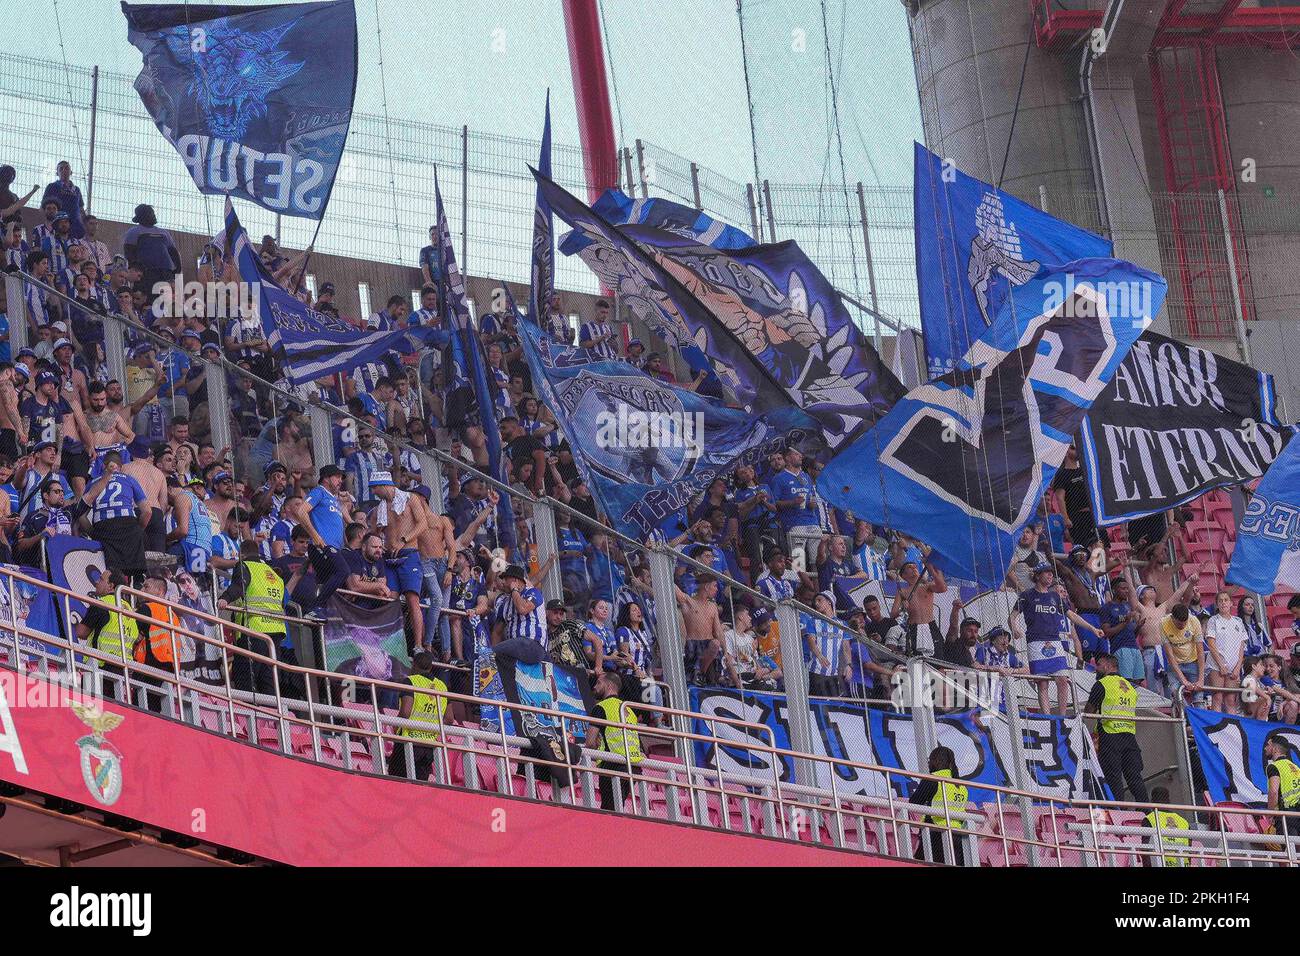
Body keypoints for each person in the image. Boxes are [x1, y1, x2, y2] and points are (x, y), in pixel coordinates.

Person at [1015, 562, 1098, 716]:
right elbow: (1012, 616)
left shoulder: (1055, 596)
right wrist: (1014, 628)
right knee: (1043, 683)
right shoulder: (1027, 595)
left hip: (1055, 642)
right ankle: (1047, 717)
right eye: (1046, 572)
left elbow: (1072, 615)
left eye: (1051, 572)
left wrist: (1092, 628)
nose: (1050, 575)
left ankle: (1061, 716)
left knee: (1062, 680)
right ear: (1037, 575)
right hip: (1035, 643)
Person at [220, 540, 292, 698]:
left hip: (254, 628)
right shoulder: (272, 571)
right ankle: (272, 717)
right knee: (269, 679)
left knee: (246, 677)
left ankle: (249, 716)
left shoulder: (244, 566)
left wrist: (224, 598)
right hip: (276, 631)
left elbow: (239, 585)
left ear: (242, 554)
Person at [1086, 652, 1148, 803]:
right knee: (1134, 776)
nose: (1096, 669)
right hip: (1129, 736)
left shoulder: (1102, 684)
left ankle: (1117, 812)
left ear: (1108, 666)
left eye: (1099, 665)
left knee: (1113, 777)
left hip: (1110, 735)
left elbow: (1089, 711)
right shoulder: (1130, 686)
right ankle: (1146, 810)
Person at [585, 670, 644, 811]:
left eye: (599, 683)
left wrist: (596, 745)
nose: (595, 686)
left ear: (610, 685)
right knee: (617, 807)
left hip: (612, 765)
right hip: (633, 766)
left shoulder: (601, 707)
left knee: (609, 812)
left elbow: (589, 743)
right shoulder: (628, 710)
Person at [386, 651, 449, 782]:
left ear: (413, 665)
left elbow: (405, 712)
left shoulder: (410, 681)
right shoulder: (442, 687)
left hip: (407, 742)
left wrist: (395, 727)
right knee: (419, 785)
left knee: (396, 782)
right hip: (428, 745)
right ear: (431, 667)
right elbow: (449, 718)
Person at [908, 746, 968, 866]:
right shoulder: (961, 785)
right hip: (957, 835)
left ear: (936, 761)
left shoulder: (933, 779)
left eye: (930, 761)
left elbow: (914, 802)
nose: (929, 764)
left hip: (935, 833)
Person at [1204, 590, 1249, 714]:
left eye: (1226, 600)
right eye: (1220, 600)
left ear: (1231, 603)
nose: (1223, 603)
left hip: (1234, 665)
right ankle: (1216, 729)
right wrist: (1221, 665)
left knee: (1231, 700)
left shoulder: (1238, 622)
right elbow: (1211, 643)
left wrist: (1237, 668)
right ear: (1217, 605)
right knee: (1217, 697)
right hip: (1216, 665)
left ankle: (1233, 730)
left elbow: (1241, 646)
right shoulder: (1213, 620)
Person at [1160, 603, 1204, 705]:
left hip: (1193, 662)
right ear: (1172, 618)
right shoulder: (1163, 623)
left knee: (1199, 698)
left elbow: (1200, 652)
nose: (1183, 626)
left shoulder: (1194, 621)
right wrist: (1183, 680)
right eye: (1179, 624)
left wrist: (1201, 679)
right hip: (1175, 664)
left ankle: (1196, 718)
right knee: (1175, 693)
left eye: (1185, 623)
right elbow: (1169, 655)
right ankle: (1186, 716)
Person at [1141, 786, 1191, 868]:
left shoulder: (1150, 819)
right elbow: (1189, 852)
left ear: (1152, 801)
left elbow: (1146, 850)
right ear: (1169, 800)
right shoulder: (1184, 822)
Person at [1263, 733, 1300, 843]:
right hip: (1297, 812)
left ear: (1274, 749)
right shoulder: (1295, 767)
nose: (1265, 748)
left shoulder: (1274, 766)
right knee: (1295, 853)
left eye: (1268, 745)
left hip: (1286, 816)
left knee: (1289, 852)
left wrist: (1270, 813)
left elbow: (1273, 791)